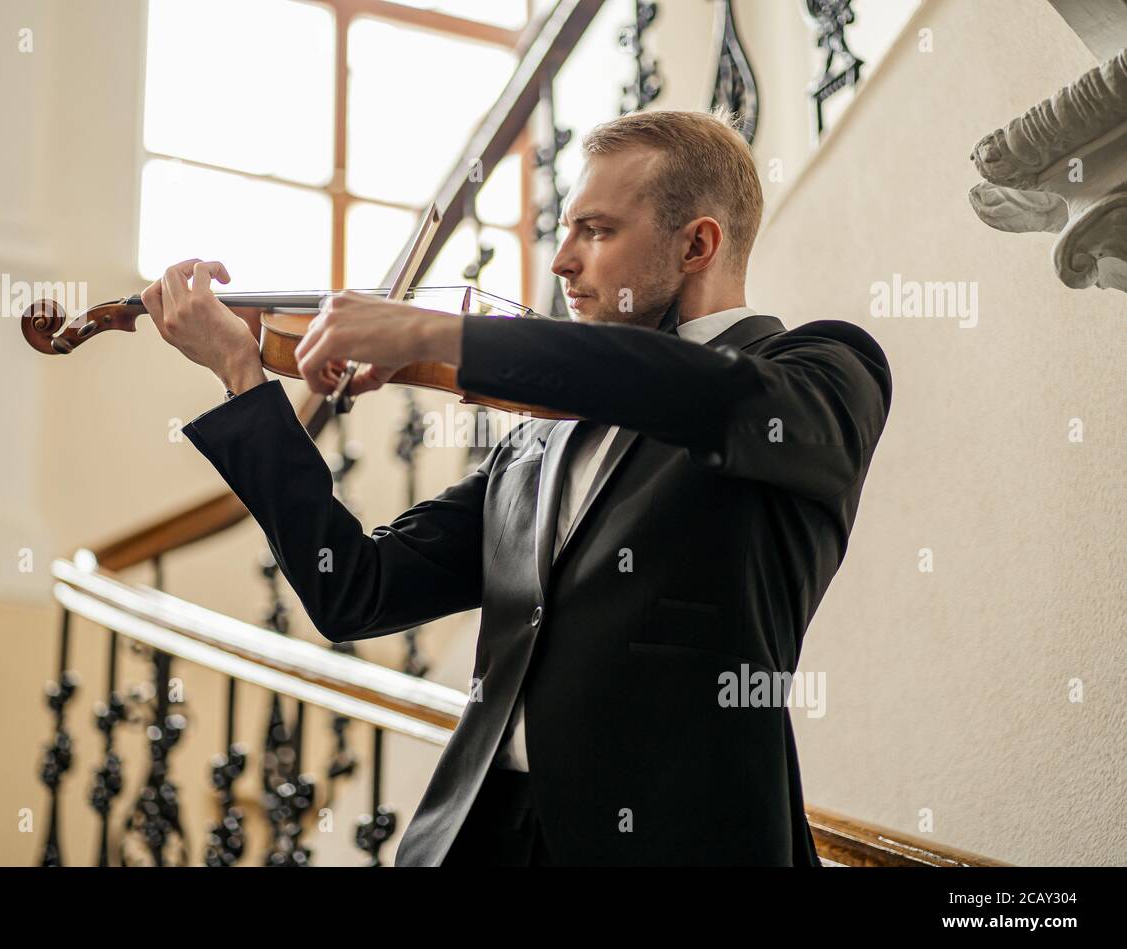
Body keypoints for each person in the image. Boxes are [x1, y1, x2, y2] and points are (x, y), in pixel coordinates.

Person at [144, 108, 892, 866]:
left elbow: (701, 395)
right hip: (481, 843)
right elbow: (355, 591)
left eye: (596, 232)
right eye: (564, 229)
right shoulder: (542, 435)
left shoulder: (820, 375)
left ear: (697, 243)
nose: (562, 261)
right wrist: (243, 378)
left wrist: (437, 334)